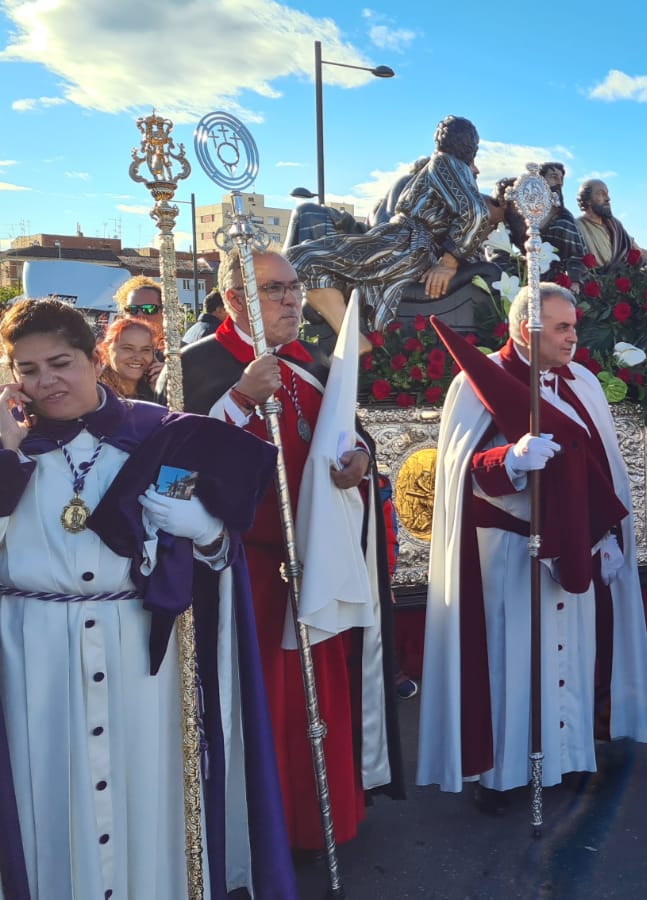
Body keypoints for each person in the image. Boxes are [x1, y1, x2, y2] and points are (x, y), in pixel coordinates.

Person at [0, 297, 294, 897]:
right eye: (27, 370)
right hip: (34, 655)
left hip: (138, 649)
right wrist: (5, 456)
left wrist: (206, 532)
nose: (45, 381)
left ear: (92, 356)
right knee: (49, 795)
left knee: (146, 790)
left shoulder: (160, 435)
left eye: (59, 363)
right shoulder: (9, 443)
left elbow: (208, 562)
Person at [162, 248, 400, 851]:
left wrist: (361, 461)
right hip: (241, 572)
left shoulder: (313, 360)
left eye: (295, 287)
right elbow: (170, 473)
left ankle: (325, 818)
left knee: (318, 699)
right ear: (236, 298)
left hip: (314, 563)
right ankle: (260, 838)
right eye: (274, 289)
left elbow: (352, 434)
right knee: (258, 703)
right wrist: (239, 399)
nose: (293, 299)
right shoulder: (194, 366)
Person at [417, 283, 647, 812]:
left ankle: (569, 759)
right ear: (523, 329)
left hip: (575, 546)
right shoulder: (475, 382)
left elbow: (603, 473)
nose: (573, 337)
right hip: (510, 551)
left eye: (573, 326)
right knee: (513, 661)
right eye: (560, 327)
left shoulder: (585, 384)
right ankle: (505, 774)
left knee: (573, 654)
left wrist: (609, 537)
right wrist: (509, 459)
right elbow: (461, 471)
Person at [288, 115, 499, 329]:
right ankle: (348, 333)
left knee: (301, 257)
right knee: (302, 259)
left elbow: (476, 212)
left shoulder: (444, 162)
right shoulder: (449, 166)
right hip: (404, 243)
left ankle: (351, 336)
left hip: (404, 245)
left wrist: (448, 263)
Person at [575, 179, 647, 276]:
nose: (607, 198)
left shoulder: (615, 225)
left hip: (621, 284)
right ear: (588, 199)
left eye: (607, 194)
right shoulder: (577, 227)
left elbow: (637, 251)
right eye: (601, 194)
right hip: (592, 284)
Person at [536, 162, 593, 283]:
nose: (559, 183)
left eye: (561, 178)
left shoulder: (564, 217)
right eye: (553, 176)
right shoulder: (526, 211)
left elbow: (577, 254)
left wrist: (574, 279)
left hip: (561, 280)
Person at [98, 316, 159, 401]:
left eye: (145, 350)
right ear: (107, 349)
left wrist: (161, 390)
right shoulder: (94, 391)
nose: (137, 357)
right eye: (128, 348)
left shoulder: (153, 388)